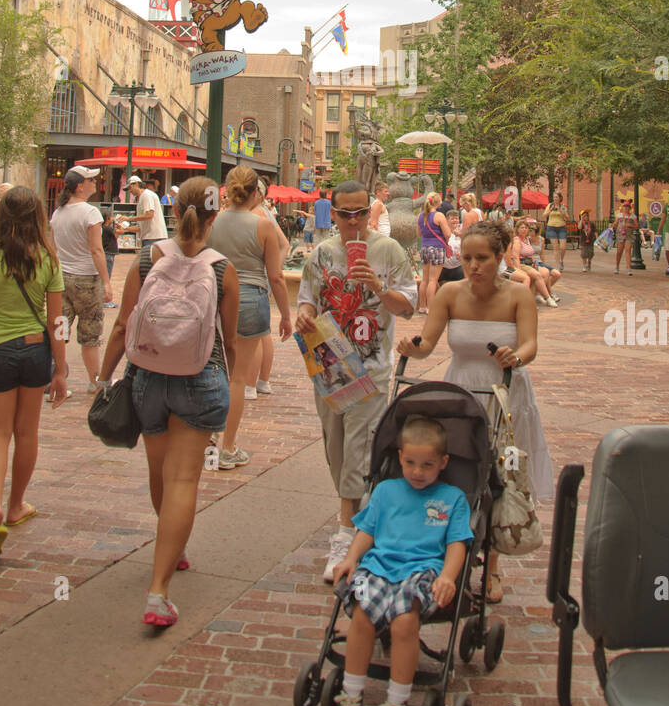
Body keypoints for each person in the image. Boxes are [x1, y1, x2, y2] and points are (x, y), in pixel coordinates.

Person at [97, 177, 239, 627]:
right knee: (183, 482)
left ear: (175, 212)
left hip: (147, 378)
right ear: (213, 218)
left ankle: (170, 546)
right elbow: (230, 340)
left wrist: (104, 377)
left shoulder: (146, 258)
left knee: (159, 474)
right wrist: (228, 382)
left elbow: (122, 325)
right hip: (199, 379)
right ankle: (158, 592)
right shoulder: (222, 269)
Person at [398, 220, 552, 604]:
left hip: (504, 391)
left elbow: (531, 343)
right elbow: (428, 342)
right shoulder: (450, 292)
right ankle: (447, 556)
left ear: (500, 257)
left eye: (482, 258)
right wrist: (412, 347)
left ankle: (493, 568)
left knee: (497, 478)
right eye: (466, 258)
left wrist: (516, 356)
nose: (473, 266)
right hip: (461, 391)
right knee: (457, 474)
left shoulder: (519, 295)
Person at [295, 181, 417, 581]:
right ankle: (359, 515)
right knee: (336, 448)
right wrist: (305, 314)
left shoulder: (389, 252)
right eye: (344, 214)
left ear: (369, 213)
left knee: (359, 448)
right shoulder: (322, 253)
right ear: (333, 213)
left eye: (359, 213)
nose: (352, 222)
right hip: (330, 366)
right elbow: (307, 298)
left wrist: (377, 287)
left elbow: (410, 306)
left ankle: (346, 534)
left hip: (372, 369)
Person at [331, 414, 473, 706]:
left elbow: (457, 543)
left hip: (421, 571)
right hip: (377, 566)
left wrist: (449, 576)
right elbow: (367, 531)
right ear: (400, 458)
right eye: (410, 463)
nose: (418, 472)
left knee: (404, 623)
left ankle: (396, 702)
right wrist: (352, 558)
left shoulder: (452, 499)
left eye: (427, 465)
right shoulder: (386, 491)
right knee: (361, 616)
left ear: (443, 462)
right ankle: (351, 694)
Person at [0, 187, 68, 558]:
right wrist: (60, 367)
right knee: (27, 432)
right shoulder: (47, 260)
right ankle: (16, 505)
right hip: (34, 349)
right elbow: (56, 320)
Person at [208, 166, 292, 467]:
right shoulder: (263, 225)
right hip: (250, 297)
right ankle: (226, 447)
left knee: (212, 371)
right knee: (239, 378)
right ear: (257, 192)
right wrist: (285, 315)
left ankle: (207, 441)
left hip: (214, 297)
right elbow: (277, 277)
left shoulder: (212, 222)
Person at [50, 165, 113, 391]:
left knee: (59, 331)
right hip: (87, 278)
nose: (95, 183)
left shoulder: (58, 212)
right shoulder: (90, 213)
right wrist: (106, 281)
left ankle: (54, 378)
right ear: (80, 186)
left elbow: (54, 247)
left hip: (62, 278)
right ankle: (94, 380)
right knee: (90, 334)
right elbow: (97, 250)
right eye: (91, 180)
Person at [244, 178, 291, 400]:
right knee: (263, 333)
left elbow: (282, 246)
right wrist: (274, 268)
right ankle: (262, 381)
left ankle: (250, 384)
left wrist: (270, 269)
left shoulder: (256, 215)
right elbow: (285, 245)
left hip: (255, 277)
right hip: (262, 276)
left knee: (254, 335)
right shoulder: (264, 213)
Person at [506, 220, 558, 306]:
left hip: (530, 263)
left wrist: (535, 263)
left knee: (546, 272)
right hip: (522, 264)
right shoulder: (517, 240)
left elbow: (531, 254)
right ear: (517, 229)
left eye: (526, 228)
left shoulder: (527, 239)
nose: (524, 229)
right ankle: (548, 298)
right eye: (522, 228)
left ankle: (537, 294)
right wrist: (519, 270)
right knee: (537, 275)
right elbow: (515, 257)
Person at [417, 192, 452, 314]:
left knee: (425, 279)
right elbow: (447, 234)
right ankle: (431, 308)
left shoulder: (420, 216)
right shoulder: (439, 215)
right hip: (437, 248)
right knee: (433, 280)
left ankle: (422, 306)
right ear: (437, 202)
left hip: (425, 248)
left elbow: (419, 234)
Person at [126, 175, 167, 246]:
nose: (129, 190)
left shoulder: (146, 195)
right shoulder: (142, 197)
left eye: (130, 187)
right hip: (150, 237)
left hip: (154, 237)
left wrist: (129, 219)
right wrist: (126, 228)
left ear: (136, 184)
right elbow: (140, 227)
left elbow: (149, 215)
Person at [543, 190, 568, 272]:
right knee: (556, 247)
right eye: (554, 197)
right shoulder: (550, 205)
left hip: (561, 227)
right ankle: (557, 265)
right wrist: (550, 210)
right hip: (551, 227)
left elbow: (567, 218)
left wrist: (561, 211)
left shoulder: (563, 206)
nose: (555, 199)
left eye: (556, 197)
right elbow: (544, 215)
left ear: (560, 198)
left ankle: (561, 260)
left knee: (563, 247)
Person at [101, 207, 120, 309]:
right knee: (107, 278)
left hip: (107, 253)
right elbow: (120, 232)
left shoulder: (102, 228)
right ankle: (105, 300)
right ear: (107, 218)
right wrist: (117, 223)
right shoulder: (108, 229)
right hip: (108, 255)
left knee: (105, 277)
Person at [437, 209, 464, 284]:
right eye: (452, 219)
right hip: (444, 267)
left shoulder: (463, 231)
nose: (455, 220)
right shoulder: (443, 233)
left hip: (458, 267)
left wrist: (463, 253)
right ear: (447, 221)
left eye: (457, 218)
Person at [614, 199, 638, 275]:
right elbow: (616, 223)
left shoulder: (633, 216)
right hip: (621, 234)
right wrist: (614, 225)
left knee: (628, 251)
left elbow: (637, 226)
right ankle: (617, 266)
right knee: (619, 251)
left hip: (629, 235)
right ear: (622, 208)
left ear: (630, 208)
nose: (626, 208)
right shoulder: (619, 215)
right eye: (625, 207)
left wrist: (631, 225)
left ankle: (629, 268)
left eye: (627, 207)